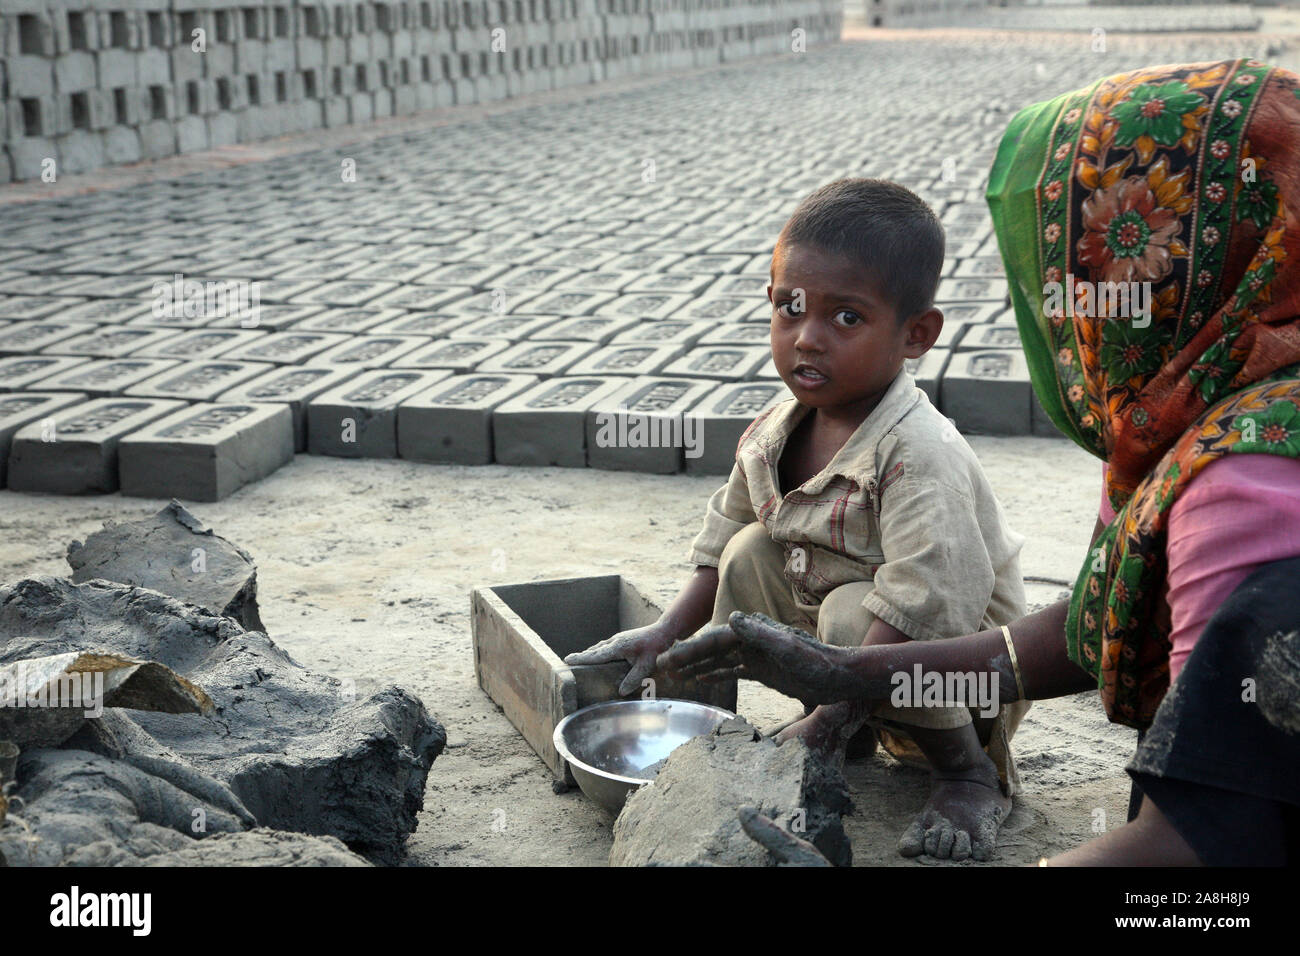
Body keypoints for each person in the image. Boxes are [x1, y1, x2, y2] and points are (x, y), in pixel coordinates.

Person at [658, 57, 1300, 866]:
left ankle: (968, 774)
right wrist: (841, 676)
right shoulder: (1178, 424)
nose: (1066, 309)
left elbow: (1191, 863)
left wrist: (852, 674)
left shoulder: (1244, 483)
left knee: (866, 617)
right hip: (1220, 788)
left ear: (1179, 276)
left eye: (1094, 270)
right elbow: (1089, 628)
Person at [566, 178, 1030, 862]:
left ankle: (966, 773)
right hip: (860, 643)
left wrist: (827, 711)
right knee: (751, 551)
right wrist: (661, 635)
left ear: (916, 335)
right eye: (792, 307)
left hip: (959, 672)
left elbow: (928, 604)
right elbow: (721, 542)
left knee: (849, 615)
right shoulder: (774, 431)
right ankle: (853, 727)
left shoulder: (917, 453)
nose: (808, 338)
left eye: (846, 318)